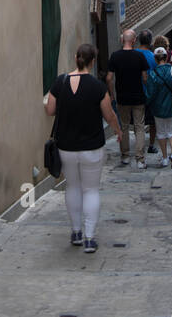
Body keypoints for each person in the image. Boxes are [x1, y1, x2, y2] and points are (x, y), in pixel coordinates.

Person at [45, 43, 121, 253]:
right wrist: (118, 130)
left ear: (75, 57)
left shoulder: (60, 82)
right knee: (91, 190)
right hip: (92, 147)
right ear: (93, 61)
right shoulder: (98, 87)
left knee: (72, 187)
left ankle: (76, 232)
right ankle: (89, 237)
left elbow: (50, 110)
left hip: (66, 147)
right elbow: (108, 115)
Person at [106, 29, 149, 168]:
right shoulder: (139, 56)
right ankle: (140, 158)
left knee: (123, 126)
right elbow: (144, 77)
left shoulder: (115, 56)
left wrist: (112, 94)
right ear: (134, 40)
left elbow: (109, 78)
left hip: (123, 97)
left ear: (121, 40)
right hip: (138, 96)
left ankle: (125, 156)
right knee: (139, 127)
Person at [145, 45, 172, 168]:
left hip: (158, 107)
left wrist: (147, 103)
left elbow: (150, 93)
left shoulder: (152, 74)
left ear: (156, 59)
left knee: (161, 132)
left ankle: (165, 157)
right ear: (166, 57)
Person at [137, 30, 159, 153]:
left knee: (138, 121)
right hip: (149, 93)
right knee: (152, 122)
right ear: (150, 41)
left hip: (136, 91)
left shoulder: (134, 54)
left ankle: (139, 144)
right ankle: (151, 144)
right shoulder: (152, 57)